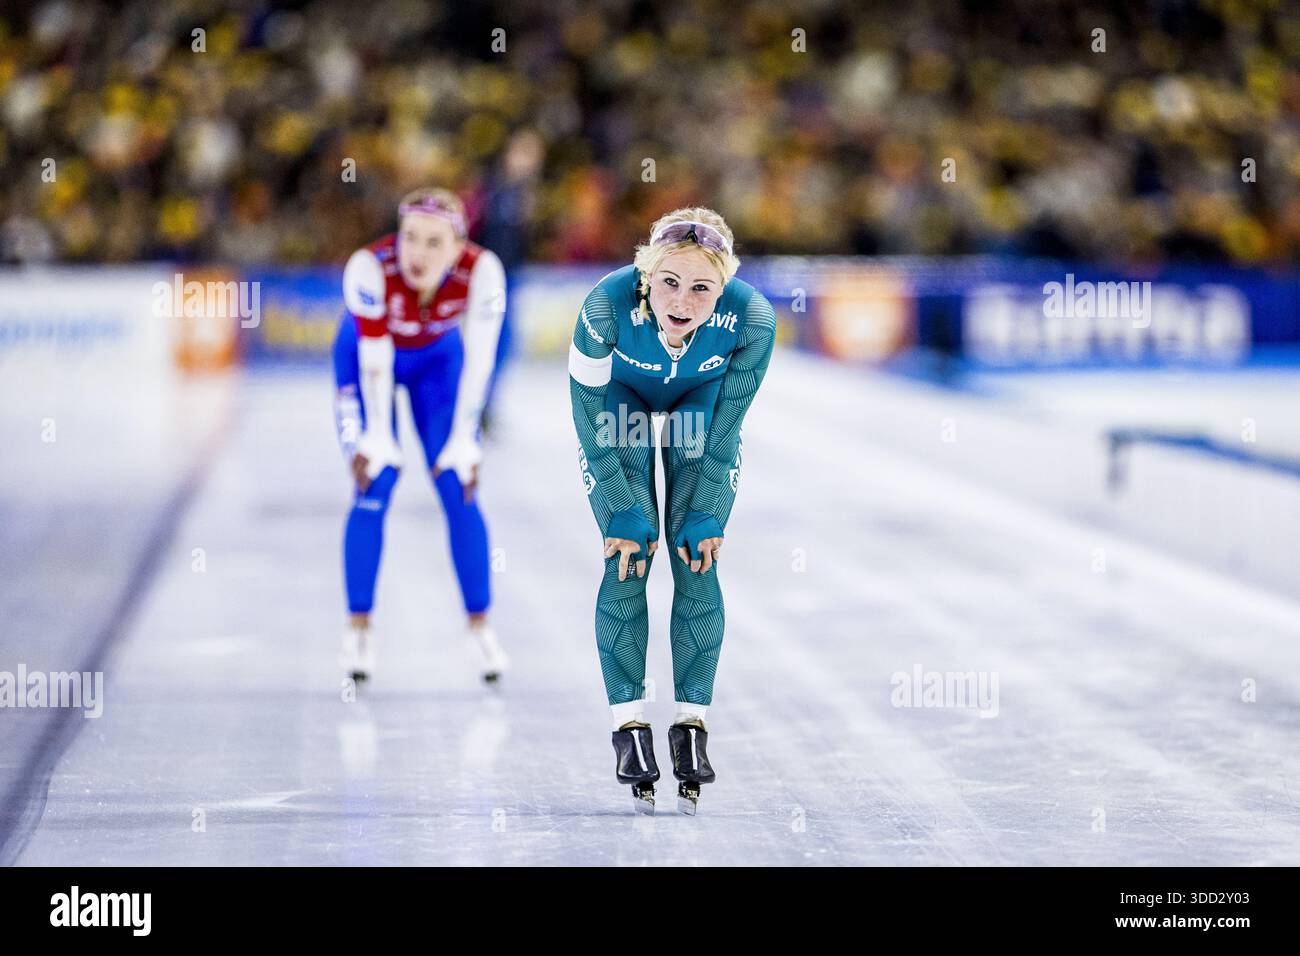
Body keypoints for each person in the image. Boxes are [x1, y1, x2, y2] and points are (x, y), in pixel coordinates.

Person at [568, 207, 776, 813]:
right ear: (645, 274)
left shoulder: (754, 319)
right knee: (629, 556)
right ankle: (628, 727)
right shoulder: (605, 305)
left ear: (725, 287)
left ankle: (691, 725)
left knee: (696, 555)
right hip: (620, 403)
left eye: (702, 288)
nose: (682, 302)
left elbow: (728, 426)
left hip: (697, 407)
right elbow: (586, 410)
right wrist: (619, 500)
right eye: (669, 283)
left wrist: (708, 507)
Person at [332, 188, 509, 684]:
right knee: (375, 481)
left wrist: (466, 437)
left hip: (438, 364)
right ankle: (359, 629)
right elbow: (374, 360)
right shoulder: (369, 267)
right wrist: (379, 438)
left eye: (434, 243)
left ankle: (480, 627)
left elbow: (481, 360)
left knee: (459, 485)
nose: (418, 254)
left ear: (458, 249)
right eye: (410, 238)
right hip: (366, 362)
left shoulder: (484, 271)